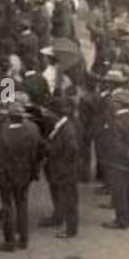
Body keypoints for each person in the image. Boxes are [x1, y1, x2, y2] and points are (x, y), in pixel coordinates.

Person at [0, 104, 40, 251]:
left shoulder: (3, 133)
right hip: (25, 174)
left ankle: (9, 241)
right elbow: (38, 152)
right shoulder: (33, 129)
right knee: (22, 204)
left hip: (6, 175)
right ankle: (24, 239)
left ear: (9, 117)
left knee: (7, 206)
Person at [100, 88, 129, 229]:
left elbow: (116, 144)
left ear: (119, 104)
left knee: (119, 190)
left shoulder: (117, 122)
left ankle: (121, 221)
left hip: (119, 161)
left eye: (113, 101)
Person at [41, 96, 81, 238]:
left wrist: (48, 147)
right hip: (61, 169)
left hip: (65, 170)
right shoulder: (62, 126)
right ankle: (58, 218)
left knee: (69, 199)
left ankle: (71, 230)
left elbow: (71, 149)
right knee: (61, 195)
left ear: (55, 113)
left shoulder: (66, 129)